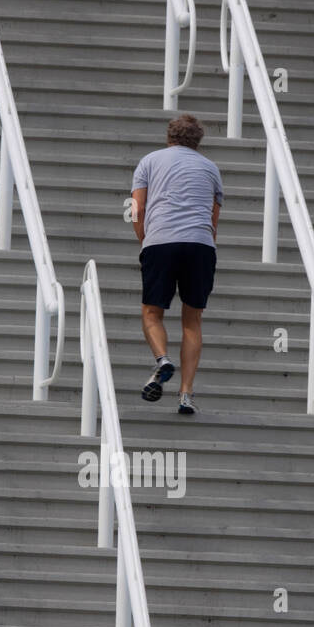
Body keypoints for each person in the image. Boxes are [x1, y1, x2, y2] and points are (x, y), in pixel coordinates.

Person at [130, 114, 223, 416]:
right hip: (200, 245)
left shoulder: (148, 162)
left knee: (152, 312)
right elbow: (213, 220)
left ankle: (161, 359)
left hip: (161, 242)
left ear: (169, 136)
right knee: (192, 321)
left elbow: (137, 208)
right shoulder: (211, 169)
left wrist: (144, 240)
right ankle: (186, 394)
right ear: (198, 140)